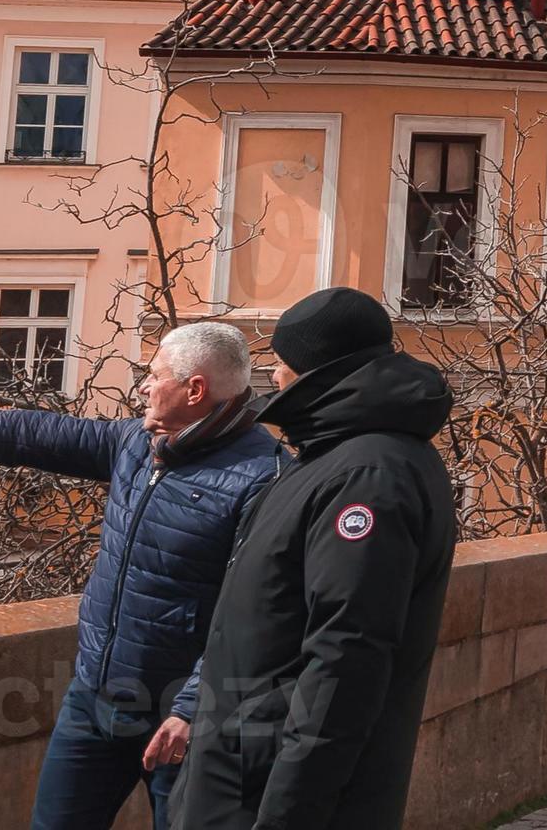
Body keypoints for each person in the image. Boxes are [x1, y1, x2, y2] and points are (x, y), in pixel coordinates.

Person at [173, 287, 456, 830]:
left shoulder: (366, 474)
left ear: (318, 373)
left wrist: (287, 812)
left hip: (273, 792)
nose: (274, 379)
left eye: (281, 366)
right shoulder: (334, 453)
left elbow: (346, 655)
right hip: (243, 768)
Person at [0, 321, 276, 830]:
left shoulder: (262, 479)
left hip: (183, 719)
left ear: (195, 390)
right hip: (93, 697)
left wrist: (190, 709)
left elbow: (253, 613)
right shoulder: (138, 443)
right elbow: (41, 435)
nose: (143, 387)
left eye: (154, 375)